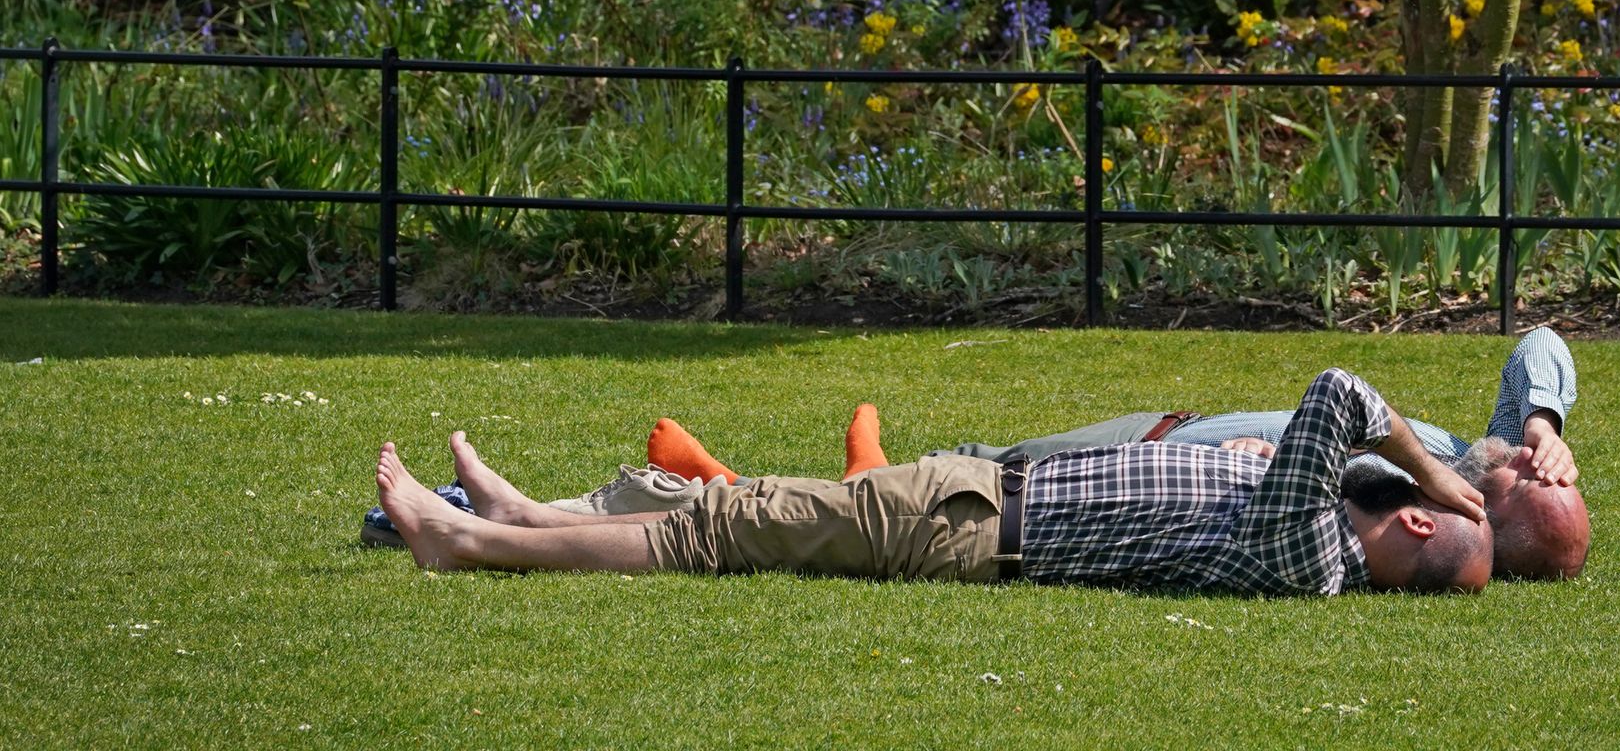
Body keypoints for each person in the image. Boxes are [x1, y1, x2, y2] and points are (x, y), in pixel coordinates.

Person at [374, 368, 1494, 594]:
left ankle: (472, 541)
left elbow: (1340, 388)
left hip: (970, 525)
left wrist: (1439, 473)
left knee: (717, 527)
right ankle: (517, 515)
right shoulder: (1298, 529)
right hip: (975, 497)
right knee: (741, 511)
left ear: (1408, 520)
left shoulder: (1310, 549)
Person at [648, 327, 1588, 581]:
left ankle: (723, 490)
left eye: (1512, 473)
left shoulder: (1410, 512)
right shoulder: (1462, 452)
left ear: (1477, 513)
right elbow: (1537, 344)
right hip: (1169, 433)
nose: (1510, 454)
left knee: (971, 473)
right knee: (964, 466)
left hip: (1150, 467)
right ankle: (835, 482)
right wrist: (1544, 427)